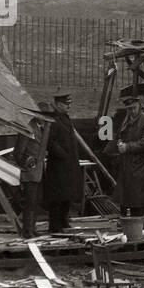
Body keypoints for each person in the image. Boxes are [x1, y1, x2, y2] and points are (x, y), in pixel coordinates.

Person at [105, 94, 144, 227]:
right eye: (129, 109)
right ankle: (134, 224)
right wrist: (120, 143)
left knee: (140, 197)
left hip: (142, 165)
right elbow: (122, 135)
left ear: (139, 106)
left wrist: (127, 147)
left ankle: (143, 224)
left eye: (133, 108)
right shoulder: (127, 120)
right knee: (131, 197)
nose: (131, 111)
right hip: (128, 164)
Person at [43, 90, 83, 233]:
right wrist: (63, 154)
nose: (68, 107)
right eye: (66, 104)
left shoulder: (65, 118)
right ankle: (55, 225)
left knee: (67, 195)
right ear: (58, 105)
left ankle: (63, 221)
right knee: (57, 197)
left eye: (69, 104)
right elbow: (50, 142)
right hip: (58, 165)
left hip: (68, 165)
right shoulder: (53, 120)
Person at [12, 102, 51, 237]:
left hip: (39, 171)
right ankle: (27, 231)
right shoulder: (28, 129)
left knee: (37, 200)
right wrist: (27, 164)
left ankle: (32, 228)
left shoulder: (42, 128)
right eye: (44, 116)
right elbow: (18, 152)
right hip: (30, 172)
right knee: (30, 201)